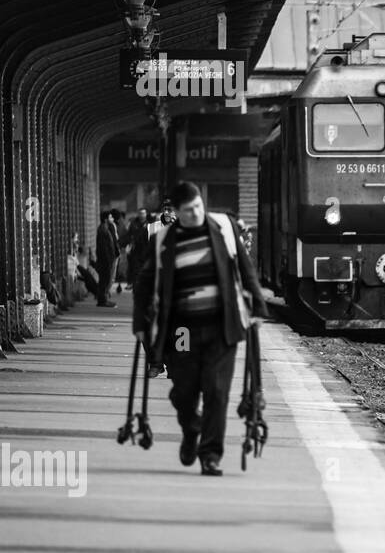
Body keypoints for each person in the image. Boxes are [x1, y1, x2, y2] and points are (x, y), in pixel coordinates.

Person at [132, 182, 267, 477]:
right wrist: (140, 325)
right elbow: (144, 284)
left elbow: (246, 268)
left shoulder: (224, 228)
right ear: (177, 213)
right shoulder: (164, 239)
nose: (195, 213)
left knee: (217, 391)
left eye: (197, 207)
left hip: (221, 326)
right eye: (188, 210)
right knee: (184, 390)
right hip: (182, 331)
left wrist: (257, 304)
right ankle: (191, 428)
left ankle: (210, 455)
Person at [94, 211, 120, 307]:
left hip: (107, 259)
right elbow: (104, 247)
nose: (111, 219)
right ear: (105, 219)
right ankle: (102, 300)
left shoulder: (105, 228)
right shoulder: (103, 230)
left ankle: (103, 299)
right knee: (104, 280)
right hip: (105, 260)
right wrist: (108, 259)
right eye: (110, 217)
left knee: (105, 279)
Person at [126, 208, 150, 284]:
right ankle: (136, 285)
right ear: (138, 214)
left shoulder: (149, 225)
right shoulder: (133, 224)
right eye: (140, 213)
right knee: (136, 270)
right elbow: (129, 236)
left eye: (143, 213)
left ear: (146, 214)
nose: (142, 215)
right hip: (135, 251)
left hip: (146, 251)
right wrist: (129, 245)